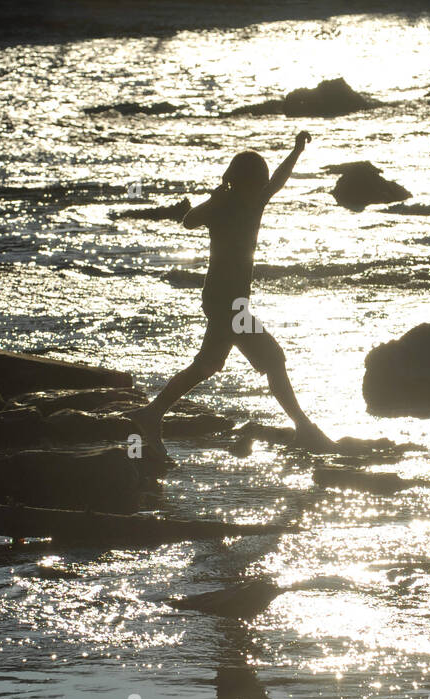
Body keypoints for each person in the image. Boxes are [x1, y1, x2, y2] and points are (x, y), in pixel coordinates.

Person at [128, 131, 336, 456]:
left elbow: (274, 183)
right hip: (231, 306)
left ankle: (151, 414)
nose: (263, 186)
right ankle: (305, 429)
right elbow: (188, 221)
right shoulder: (234, 205)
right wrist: (216, 199)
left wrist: (295, 152)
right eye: (259, 180)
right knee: (274, 360)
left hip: (223, 302)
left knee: (206, 366)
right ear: (247, 182)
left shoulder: (244, 203)